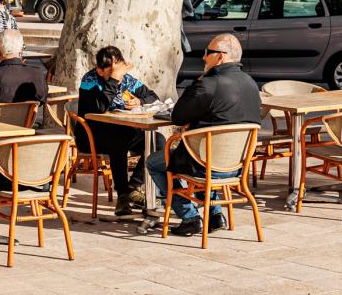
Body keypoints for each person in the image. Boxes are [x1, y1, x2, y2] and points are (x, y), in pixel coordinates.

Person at [148, 32, 260, 237]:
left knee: (155, 163)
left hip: (204, 164)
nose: (203, 57)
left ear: (221, 56)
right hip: (237, 166)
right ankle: (215, 214)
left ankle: (189, 216)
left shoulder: (209, 84)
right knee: (204, 153)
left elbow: (178, 116)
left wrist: (199, 82)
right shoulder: (251, 84)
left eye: (208, 52)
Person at [77, 45, 159, 219]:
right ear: (100, 71)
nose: (119, 75)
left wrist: (140, 101)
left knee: (156, 140)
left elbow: (153, 97)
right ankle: (122, 195)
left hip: (123, 130)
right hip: (93, 134)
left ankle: (134, 186)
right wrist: (113, 80)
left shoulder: (127, 80)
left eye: (119, 69)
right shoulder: (89, 81)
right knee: (118, 139)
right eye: (112, 71)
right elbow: (98, 109)